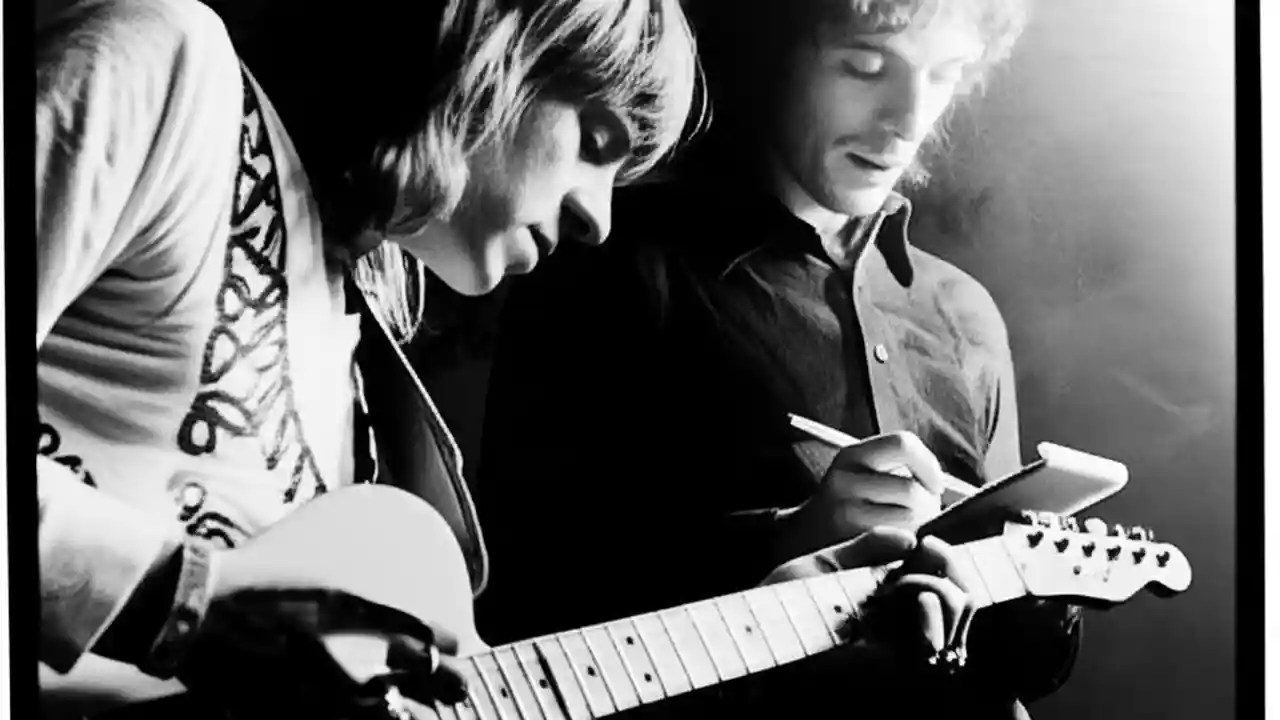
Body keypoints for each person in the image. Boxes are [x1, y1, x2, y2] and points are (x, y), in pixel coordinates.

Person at [36, 0, 698, 716]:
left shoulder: (350, 319)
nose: (598, 221)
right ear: (491, 45)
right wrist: (186, 609)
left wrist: (776, 602)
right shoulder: (175, 68)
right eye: (596, 138)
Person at [475, 0, 1082, 716]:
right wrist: (788, 540)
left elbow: (1021, 669)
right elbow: (520, 617)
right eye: (865, 66)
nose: (908, 120)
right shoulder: (605, 261)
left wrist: (1044, 591)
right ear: (776, 53)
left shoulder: (964, 315)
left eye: (945, 75)